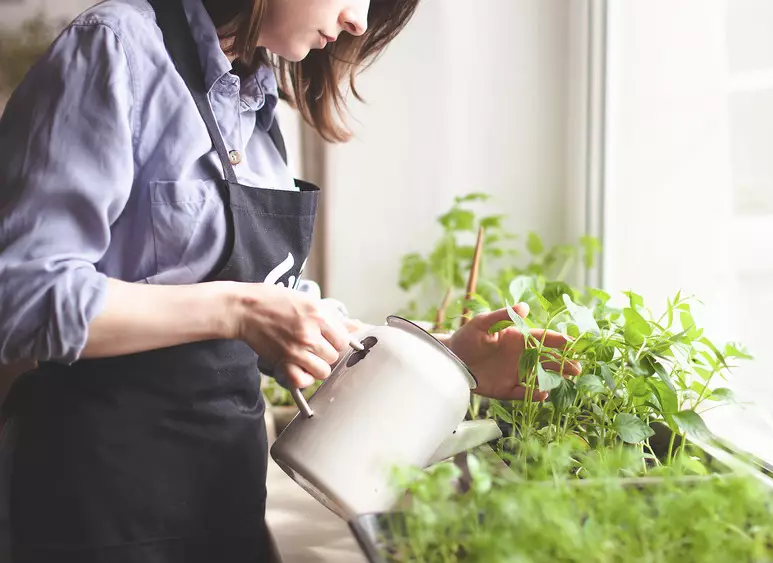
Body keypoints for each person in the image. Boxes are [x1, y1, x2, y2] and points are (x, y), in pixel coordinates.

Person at [0, 0, 578, 561]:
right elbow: (22, 297)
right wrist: (239, 310)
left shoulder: (255, 99)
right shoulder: (115, 49)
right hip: (98, 509)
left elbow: (288, 317)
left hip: (220, 504)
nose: (358, 18)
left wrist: (447, 361)